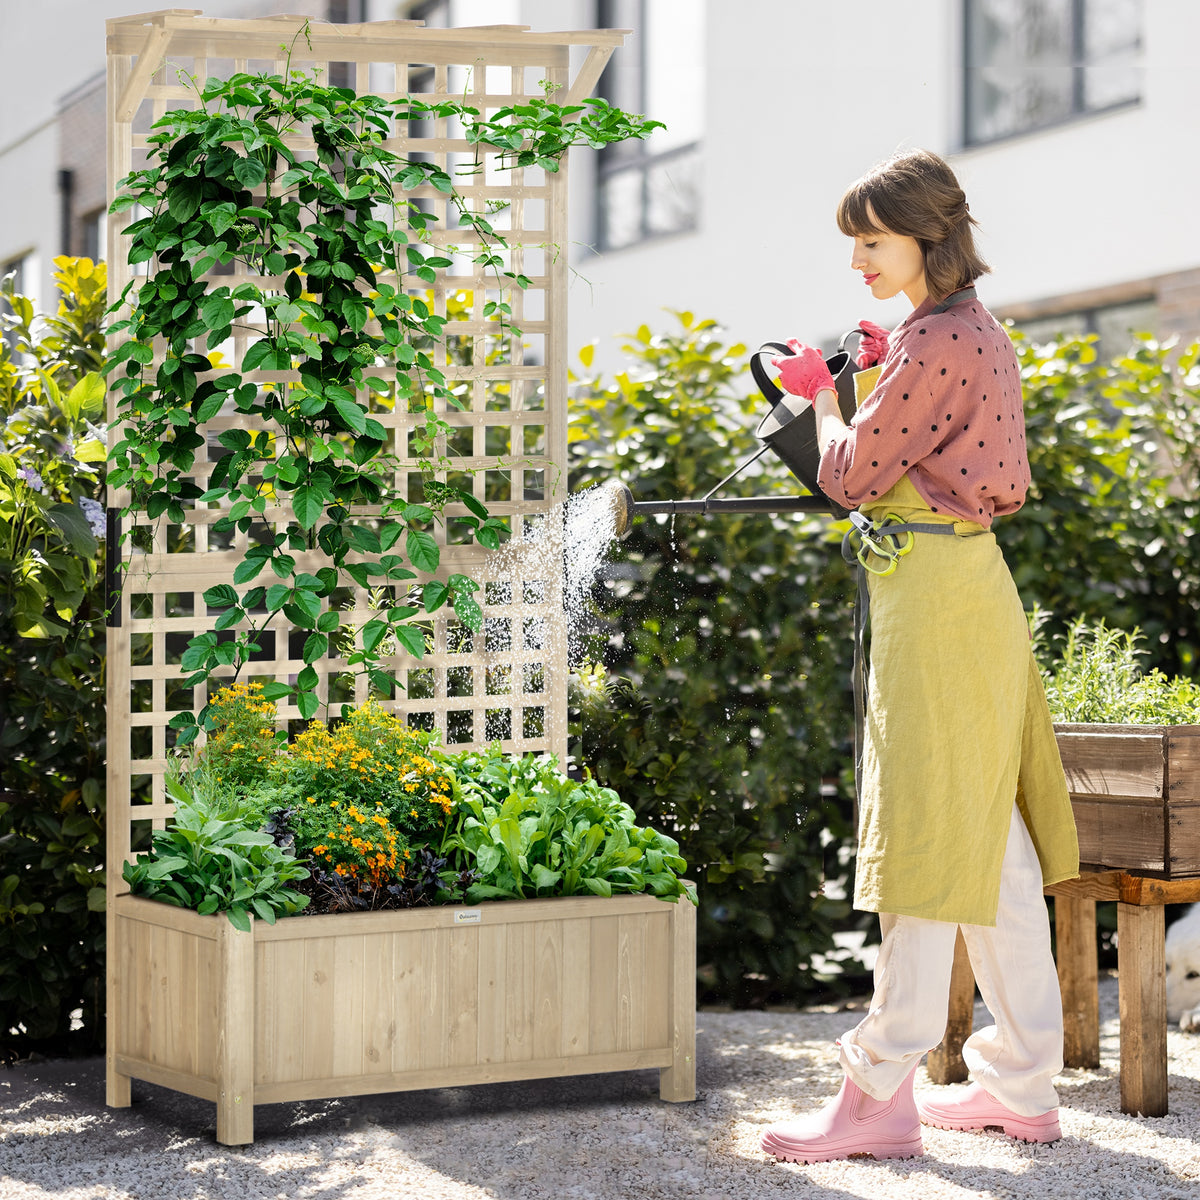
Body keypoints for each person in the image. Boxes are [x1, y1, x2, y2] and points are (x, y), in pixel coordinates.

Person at [759, 149, 1080, 1165]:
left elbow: (851, 475)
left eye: (871, 241)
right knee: (994, 853)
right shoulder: (964, 331)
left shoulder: (933, 340)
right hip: (973, 587)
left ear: (924, 238)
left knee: (925, 847)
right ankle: (1022, 1087)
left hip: (936, 603)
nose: (857, 258)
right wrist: (865, 372)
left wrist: (817, 396)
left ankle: (877, 1094)